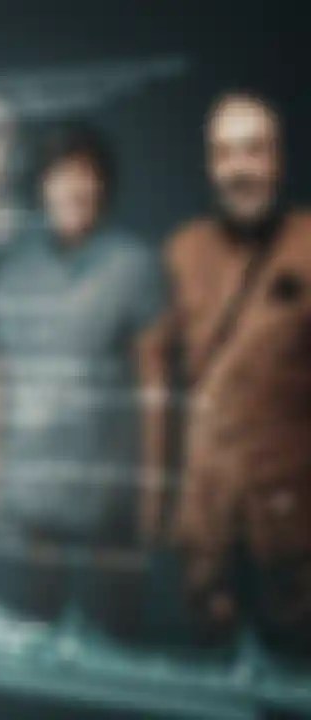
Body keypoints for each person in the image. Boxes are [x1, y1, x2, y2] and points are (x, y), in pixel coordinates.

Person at [146, 92, 311, 651]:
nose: (240, 168)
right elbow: (154, 388)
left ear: (278, 159)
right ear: (211, 165)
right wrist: (159, 514)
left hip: (294, 539)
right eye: (225, 154)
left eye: (254, 151)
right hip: (205, 530)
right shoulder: (182, 252)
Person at [0, 124, 164, 624]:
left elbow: (156, 388)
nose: (76, 187)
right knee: (32, 640)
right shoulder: (14, 274)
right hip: (32, 495)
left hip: (106, 504)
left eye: (87, 174)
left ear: (103, 185)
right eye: (63, 174)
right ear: (43, 185)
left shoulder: (133, 266)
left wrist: (152, 493)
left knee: (110, 644)